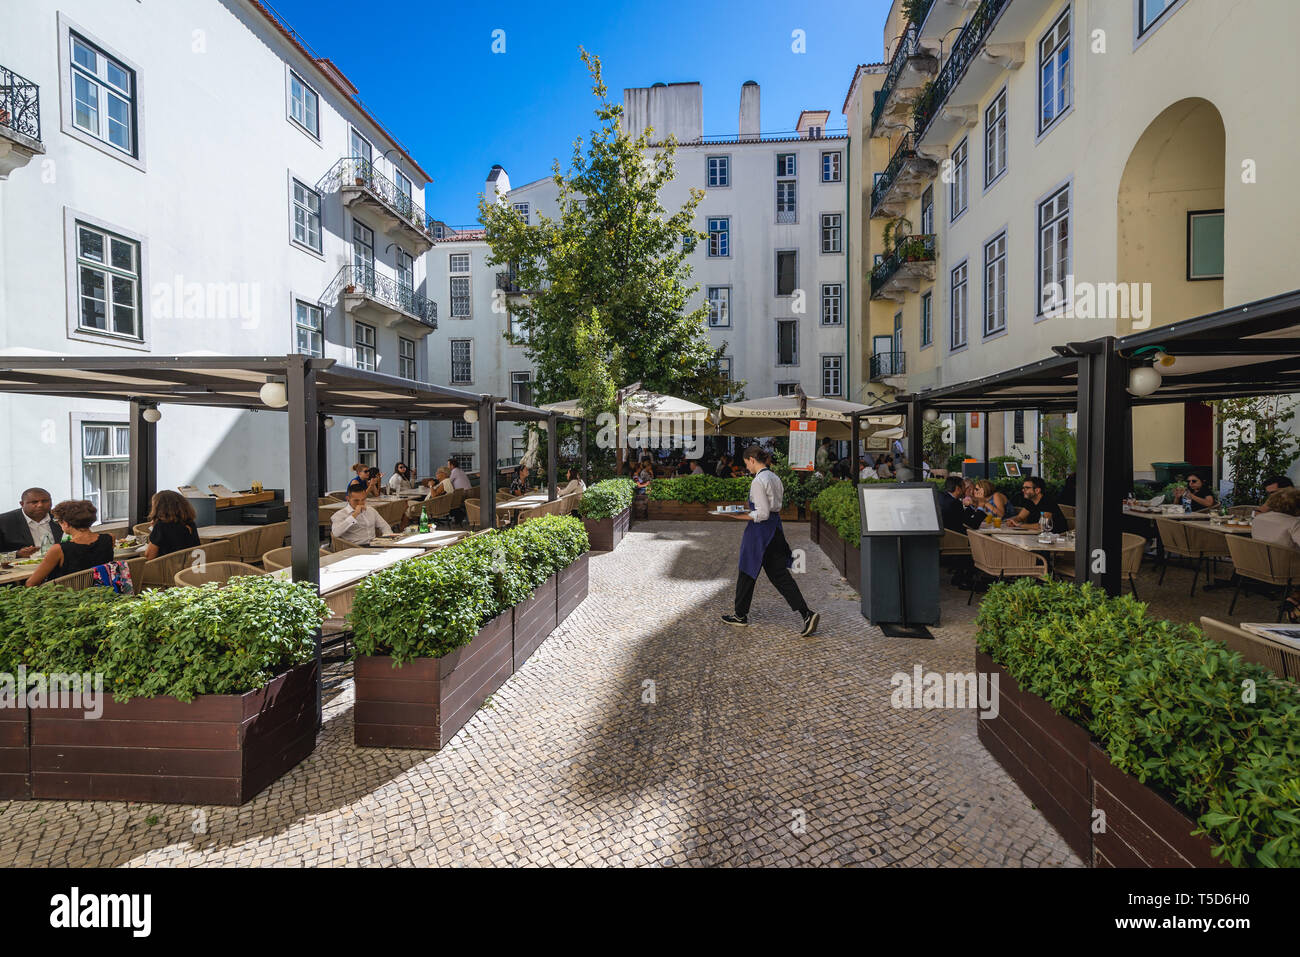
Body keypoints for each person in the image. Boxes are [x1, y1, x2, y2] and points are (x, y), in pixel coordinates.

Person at [721, 445, 818, 636]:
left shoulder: (758, 481)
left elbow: (762, 513)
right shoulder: (775, 478)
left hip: (760, 532)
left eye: (746, 464)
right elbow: (773, 508)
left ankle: (740, 616)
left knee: (747, 569)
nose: (747, 468)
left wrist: (738, 516)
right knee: (780, 575)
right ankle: (807, 614)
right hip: (775, 529)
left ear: (751, 460)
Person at [23, 499, 114, 586]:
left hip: (68, 596)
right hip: (102, 591)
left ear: (65, 523)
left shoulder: (59, 549)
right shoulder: (109, 538)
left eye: (58, 521)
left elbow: (31, 583)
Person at [0, 487, 59, 557]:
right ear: (22, 504)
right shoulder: (4, 521)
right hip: (20, 566)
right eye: (34, 502)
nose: (40, 505)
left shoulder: (61, 518)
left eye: (45, 501)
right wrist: (18, 554)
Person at [144, 490, 201, 560]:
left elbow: (149, 556)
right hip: (190, 567)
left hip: (168, 568)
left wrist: (154, 531)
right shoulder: (190, 523)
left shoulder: (161, 526)